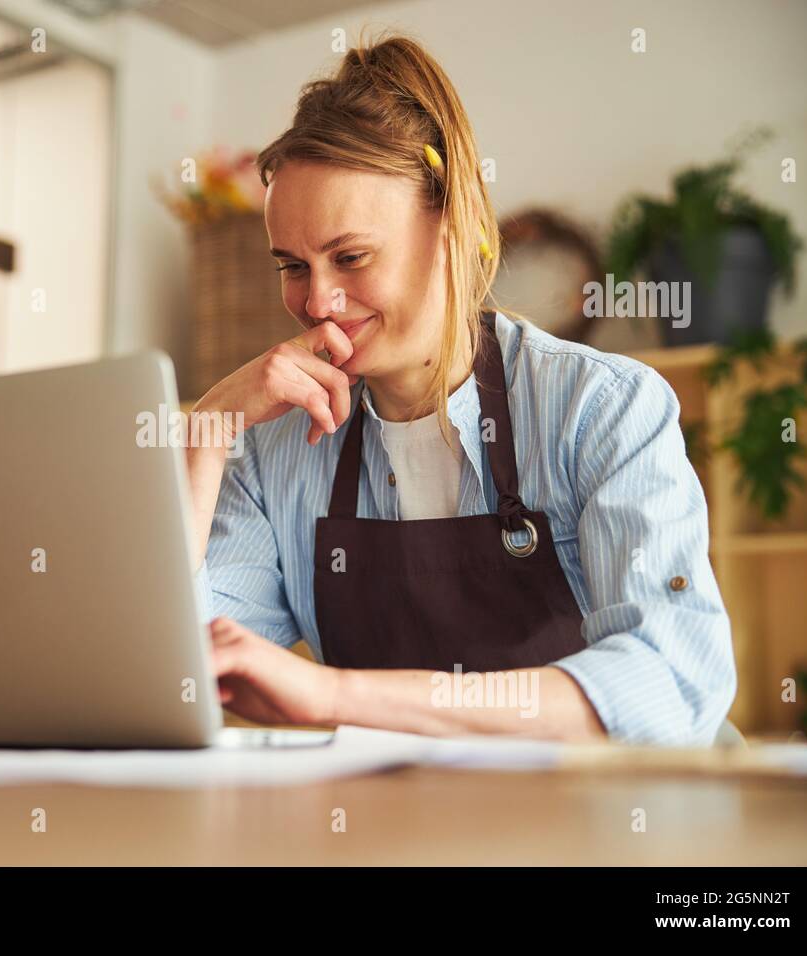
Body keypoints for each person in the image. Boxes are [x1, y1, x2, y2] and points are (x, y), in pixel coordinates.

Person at [186, 33, 735, 745]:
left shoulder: (601, 408)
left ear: (452, 227)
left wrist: (336, 695)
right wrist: (206, 433)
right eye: (292, 266)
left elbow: (672, 677)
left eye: (351, 257)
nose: (318, 301)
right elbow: (172, 674)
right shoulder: (274, 454)